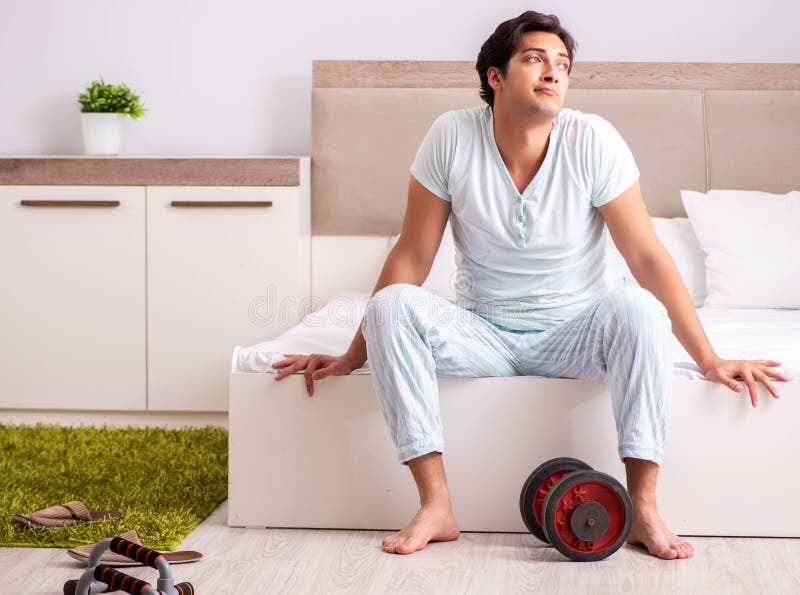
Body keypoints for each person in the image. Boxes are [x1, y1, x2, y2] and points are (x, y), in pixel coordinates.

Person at [272, 11, 788, 560]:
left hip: (574, 335)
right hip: (483, 334)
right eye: (535, 59)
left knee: (637, 307)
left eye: (562, 64)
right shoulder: (450, 136)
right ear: (495, 76)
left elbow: (646, 256)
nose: (552, 72)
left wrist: (709, 359)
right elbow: (413, 256)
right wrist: (354, 355)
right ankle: (436, 505)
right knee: (392, 305)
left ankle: (642, 507)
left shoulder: (593, 140)